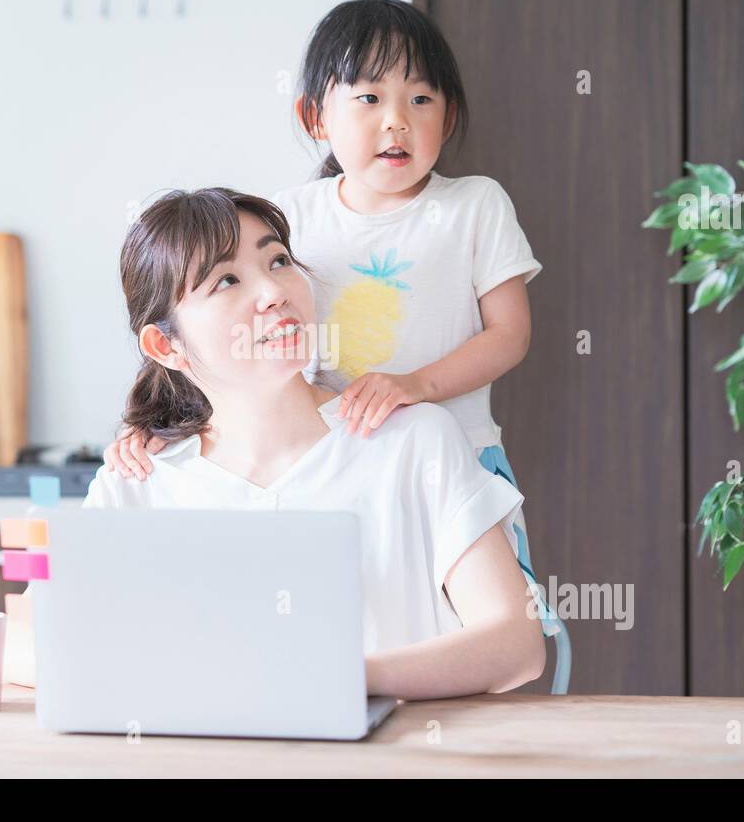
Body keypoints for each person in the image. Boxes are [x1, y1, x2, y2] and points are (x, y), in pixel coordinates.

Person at [72, 187, 545, 700]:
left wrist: (346, 679)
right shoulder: (139, 481)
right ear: (166, 345)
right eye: (226, 280)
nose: (274, 292)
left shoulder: (413, 443)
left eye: (277, 261)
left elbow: (517, 646)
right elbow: (24, 640)